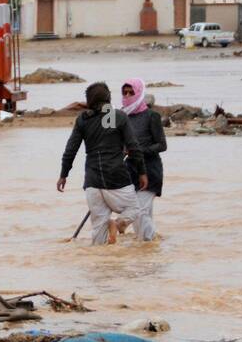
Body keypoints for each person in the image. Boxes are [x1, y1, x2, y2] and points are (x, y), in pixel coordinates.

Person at [58, 82, 147, 245]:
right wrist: (142, 172)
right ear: (108, 99)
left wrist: (63, 175)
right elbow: (134, 147)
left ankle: (100, 266)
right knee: (134, 209)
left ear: (89, 101)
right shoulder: (118, 116)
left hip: (93, 181)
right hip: (116, 177)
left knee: (98, 234)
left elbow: (71, 150)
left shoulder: (82, 120)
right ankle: (119, 223)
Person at [120, 78, 167, 241]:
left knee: (139, 211)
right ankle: (147, 250)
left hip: (150, 170)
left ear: (139, 93)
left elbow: (162, 145)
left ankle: (149, 243)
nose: (127, 96)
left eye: (131, 92)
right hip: (130, 171)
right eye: (124, 92)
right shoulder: (120, 116)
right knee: (142, 212)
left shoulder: (152, 116)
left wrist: (138, 151)